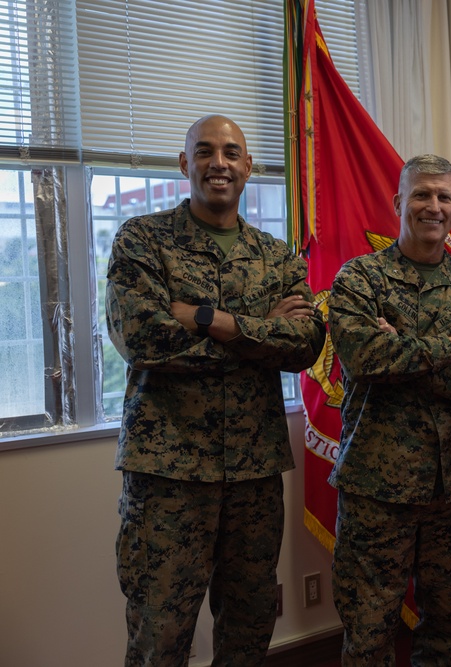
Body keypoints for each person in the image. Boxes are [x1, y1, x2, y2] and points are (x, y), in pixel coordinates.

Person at [105, 114, 326, 666]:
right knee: (161, 635)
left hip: (253, 475)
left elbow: (304, 345)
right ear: (185, 164)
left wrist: (212, 319)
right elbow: (143, 338)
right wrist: (259, 331)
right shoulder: (143, 239)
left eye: (231, 153)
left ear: (248, 167)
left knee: (249, 632)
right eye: (204, 152)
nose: (218, 163)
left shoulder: (276, 256)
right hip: (167, 475)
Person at [325, 154, 451, 666]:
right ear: (398, 202)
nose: (433, 206)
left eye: (444, 196)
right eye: (422, 195)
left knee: (450, 630)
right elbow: (365, 358)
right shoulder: (359, 280)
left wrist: (403, 351)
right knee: (368, 634)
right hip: (374, 489)